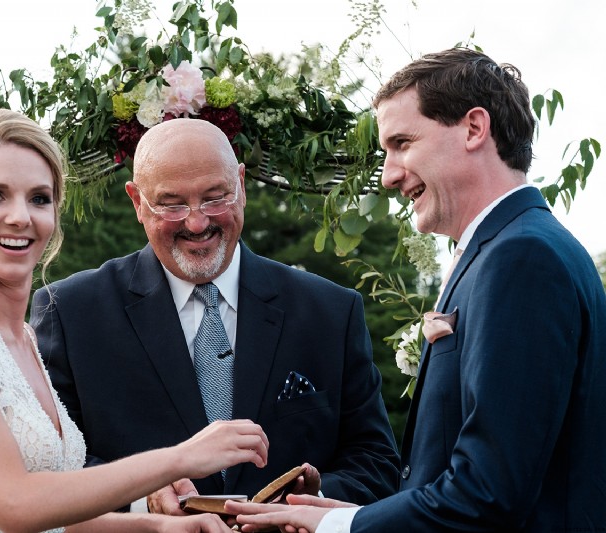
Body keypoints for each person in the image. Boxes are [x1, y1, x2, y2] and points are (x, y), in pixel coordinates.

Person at [225, 47, 606, 532]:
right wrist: (357, 513)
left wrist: (339, 528)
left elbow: (489, 491)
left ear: (473, 128)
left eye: (402, 143)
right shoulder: (512, 247)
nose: (388, 176)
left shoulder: (521, 258)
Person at [0, 108, 271, 533]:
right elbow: (15, 505)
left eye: (38, 198)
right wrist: (179, 458)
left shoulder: (25, 340)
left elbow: (58, 518)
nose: (20, 217)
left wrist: (162, 529)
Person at [30, 117, 400, 516]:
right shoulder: (70, 312)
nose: (196, 222)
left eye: (215, 197)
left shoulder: (330, 311)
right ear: (137, 202)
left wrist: (303, 501)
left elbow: (376, 461)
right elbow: (53, 467)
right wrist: (143, 496)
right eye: (171, 204)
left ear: (240, 185)